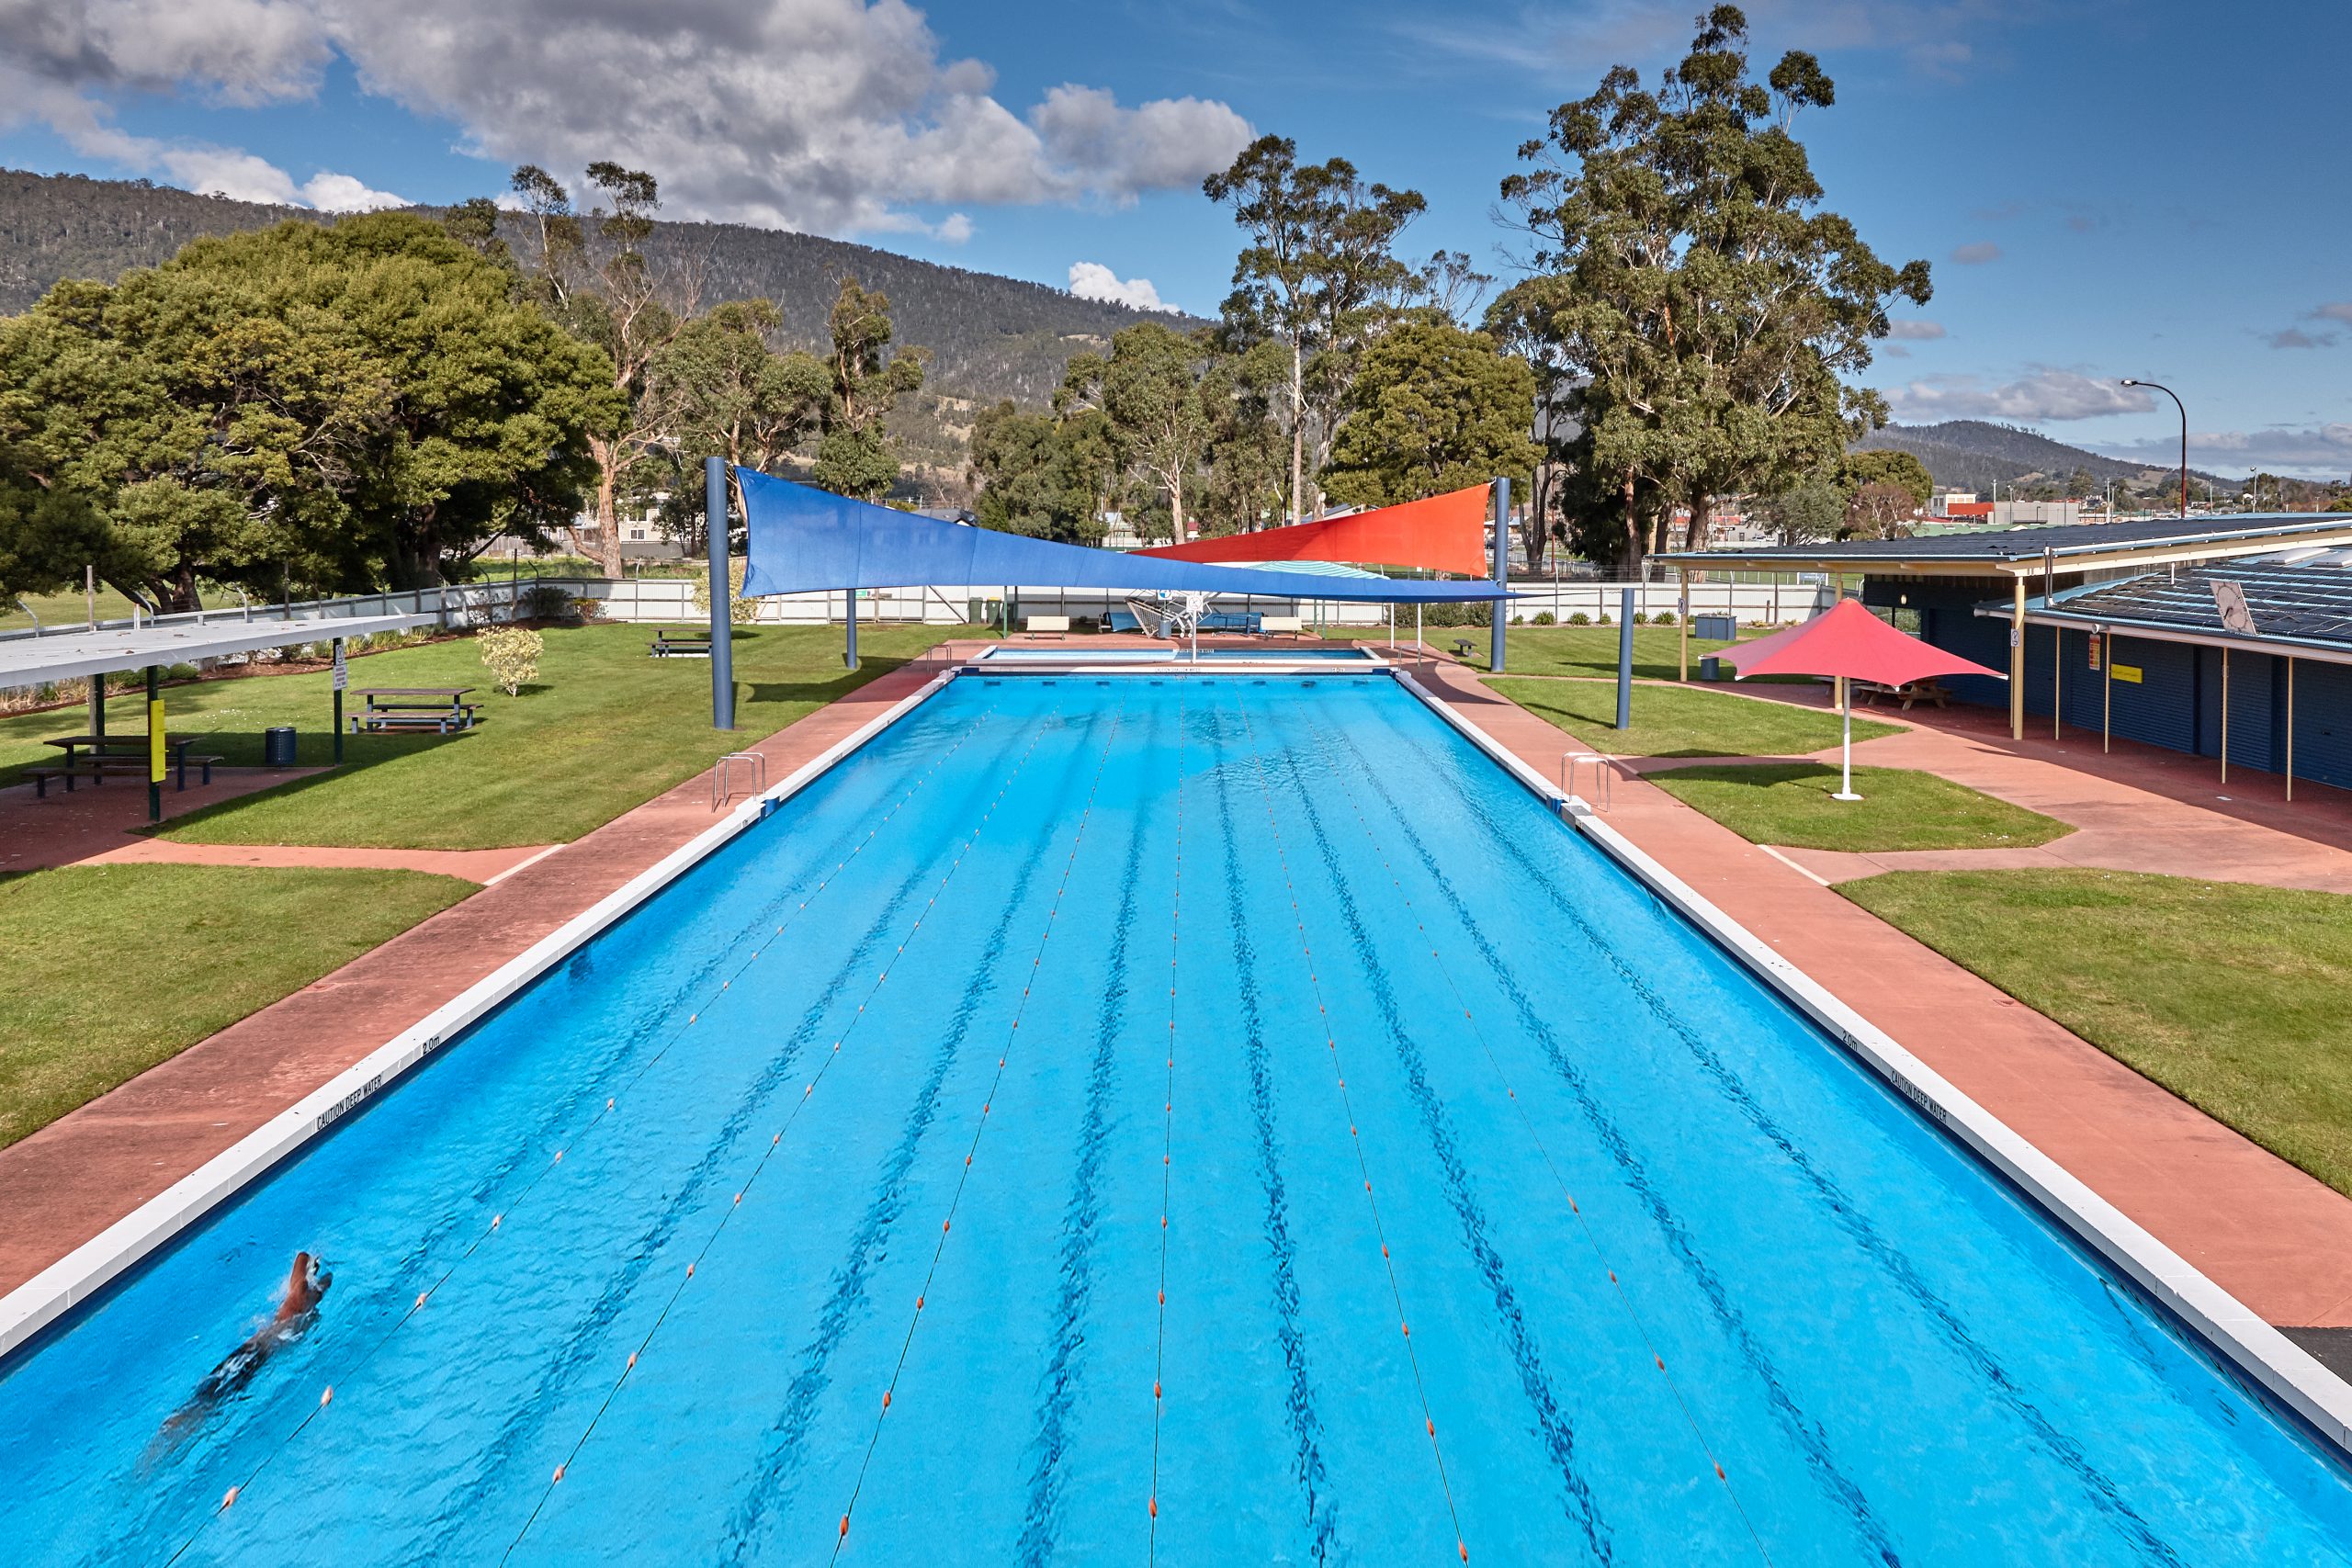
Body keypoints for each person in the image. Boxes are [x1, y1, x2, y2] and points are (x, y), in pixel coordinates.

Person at [152, 1252, 331, 1455]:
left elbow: (322, 1281)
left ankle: (173, 1433)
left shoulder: (304, 1303)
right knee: (211, 1400)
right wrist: (311, 1262)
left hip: (253, 1354)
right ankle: (174, 1431)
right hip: (255, 1354)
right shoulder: (300, 1293)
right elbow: (303, 1258)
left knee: (210, 1396)